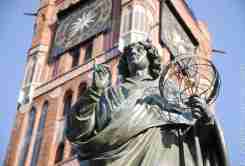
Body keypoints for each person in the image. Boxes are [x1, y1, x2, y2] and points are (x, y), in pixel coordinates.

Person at [66, 41, 229, 166]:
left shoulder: (169, 90)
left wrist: (206, 118)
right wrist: (94, 91)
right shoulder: (110, 93)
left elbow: (192, 131)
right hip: (113, 158)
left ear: (151, 57)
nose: (133, 53)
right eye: (129, 52)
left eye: (139, 49)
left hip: (162, 153)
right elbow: (79, 132)